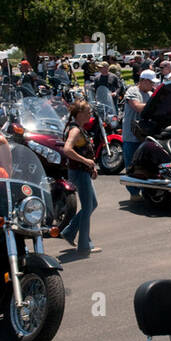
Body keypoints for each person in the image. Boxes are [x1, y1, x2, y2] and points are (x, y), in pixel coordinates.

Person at [60, 100, 99, 255]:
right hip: (78, 172)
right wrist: (85, 161)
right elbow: (67, 149)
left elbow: (84, 151)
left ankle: (69, 232)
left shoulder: (77, 128)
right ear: (80, 113)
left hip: (83, 171)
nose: (90, 114)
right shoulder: (75, 130)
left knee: (92, 204)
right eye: (88, 112)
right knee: (88, 206)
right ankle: (84, 245)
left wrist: (91, 166)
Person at [122, 69, 156, 196]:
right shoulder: (132, 91)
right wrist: (154, 104)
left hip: (145, 136)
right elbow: (136, 106)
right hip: (131, 136)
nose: (153, 85)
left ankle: (145, 191)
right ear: (144, 81)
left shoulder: (151, 94)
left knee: (144, 166)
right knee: (132, 165)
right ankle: (134, 193)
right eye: (151, 82)